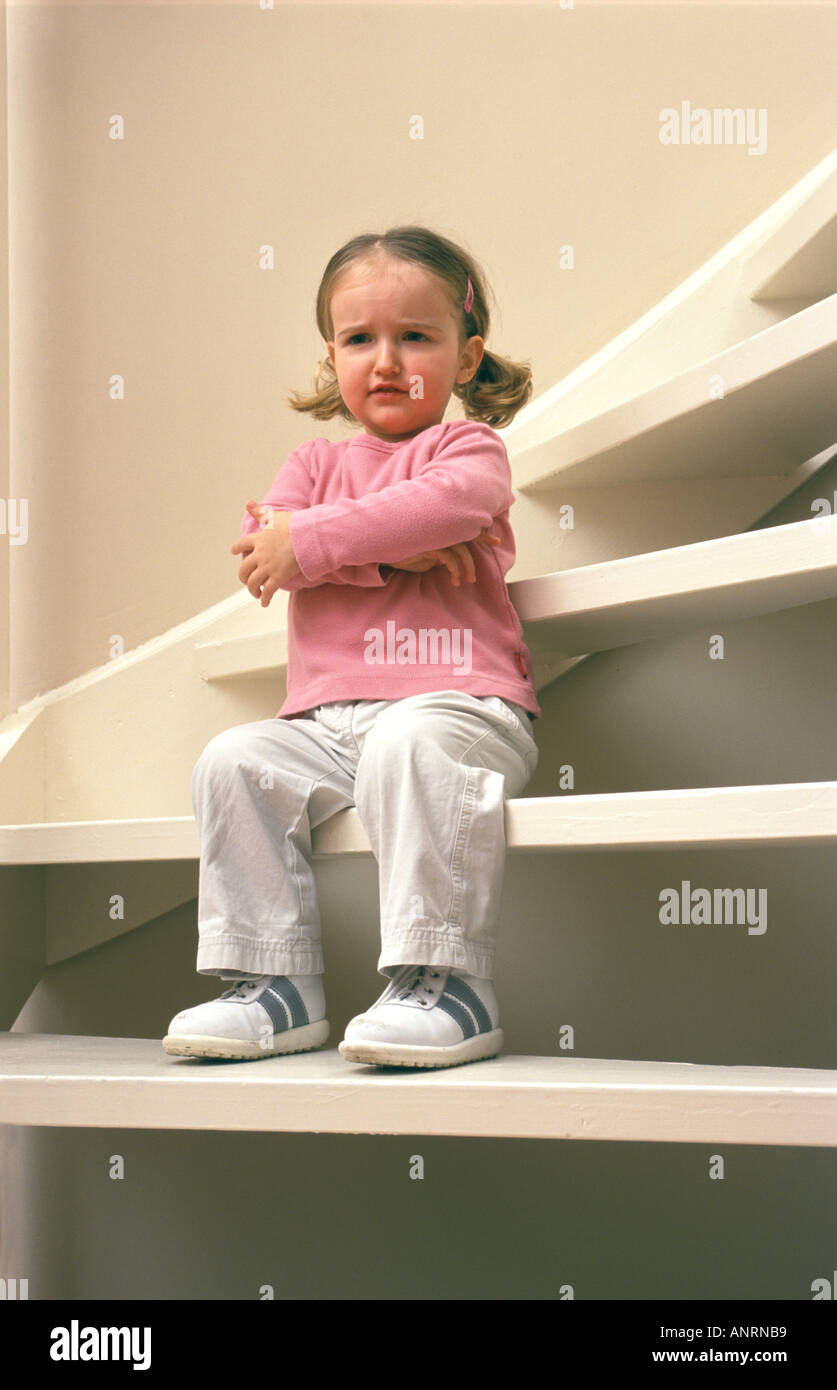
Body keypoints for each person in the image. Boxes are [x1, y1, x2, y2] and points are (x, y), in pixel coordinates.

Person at [163, 224, 541, 1070]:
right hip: (327, 726)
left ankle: (446, 981)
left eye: (416, 336)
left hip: (458, 706)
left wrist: (323, 543)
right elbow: (264, 546)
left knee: (408, 744)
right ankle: (274, 985)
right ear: (331, 358)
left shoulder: (467, 449)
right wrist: (378, 548)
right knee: (233, 759)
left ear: (467, 355)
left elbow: (446, 505)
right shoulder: (312, 461)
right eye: (359, 339)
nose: (385, 359)